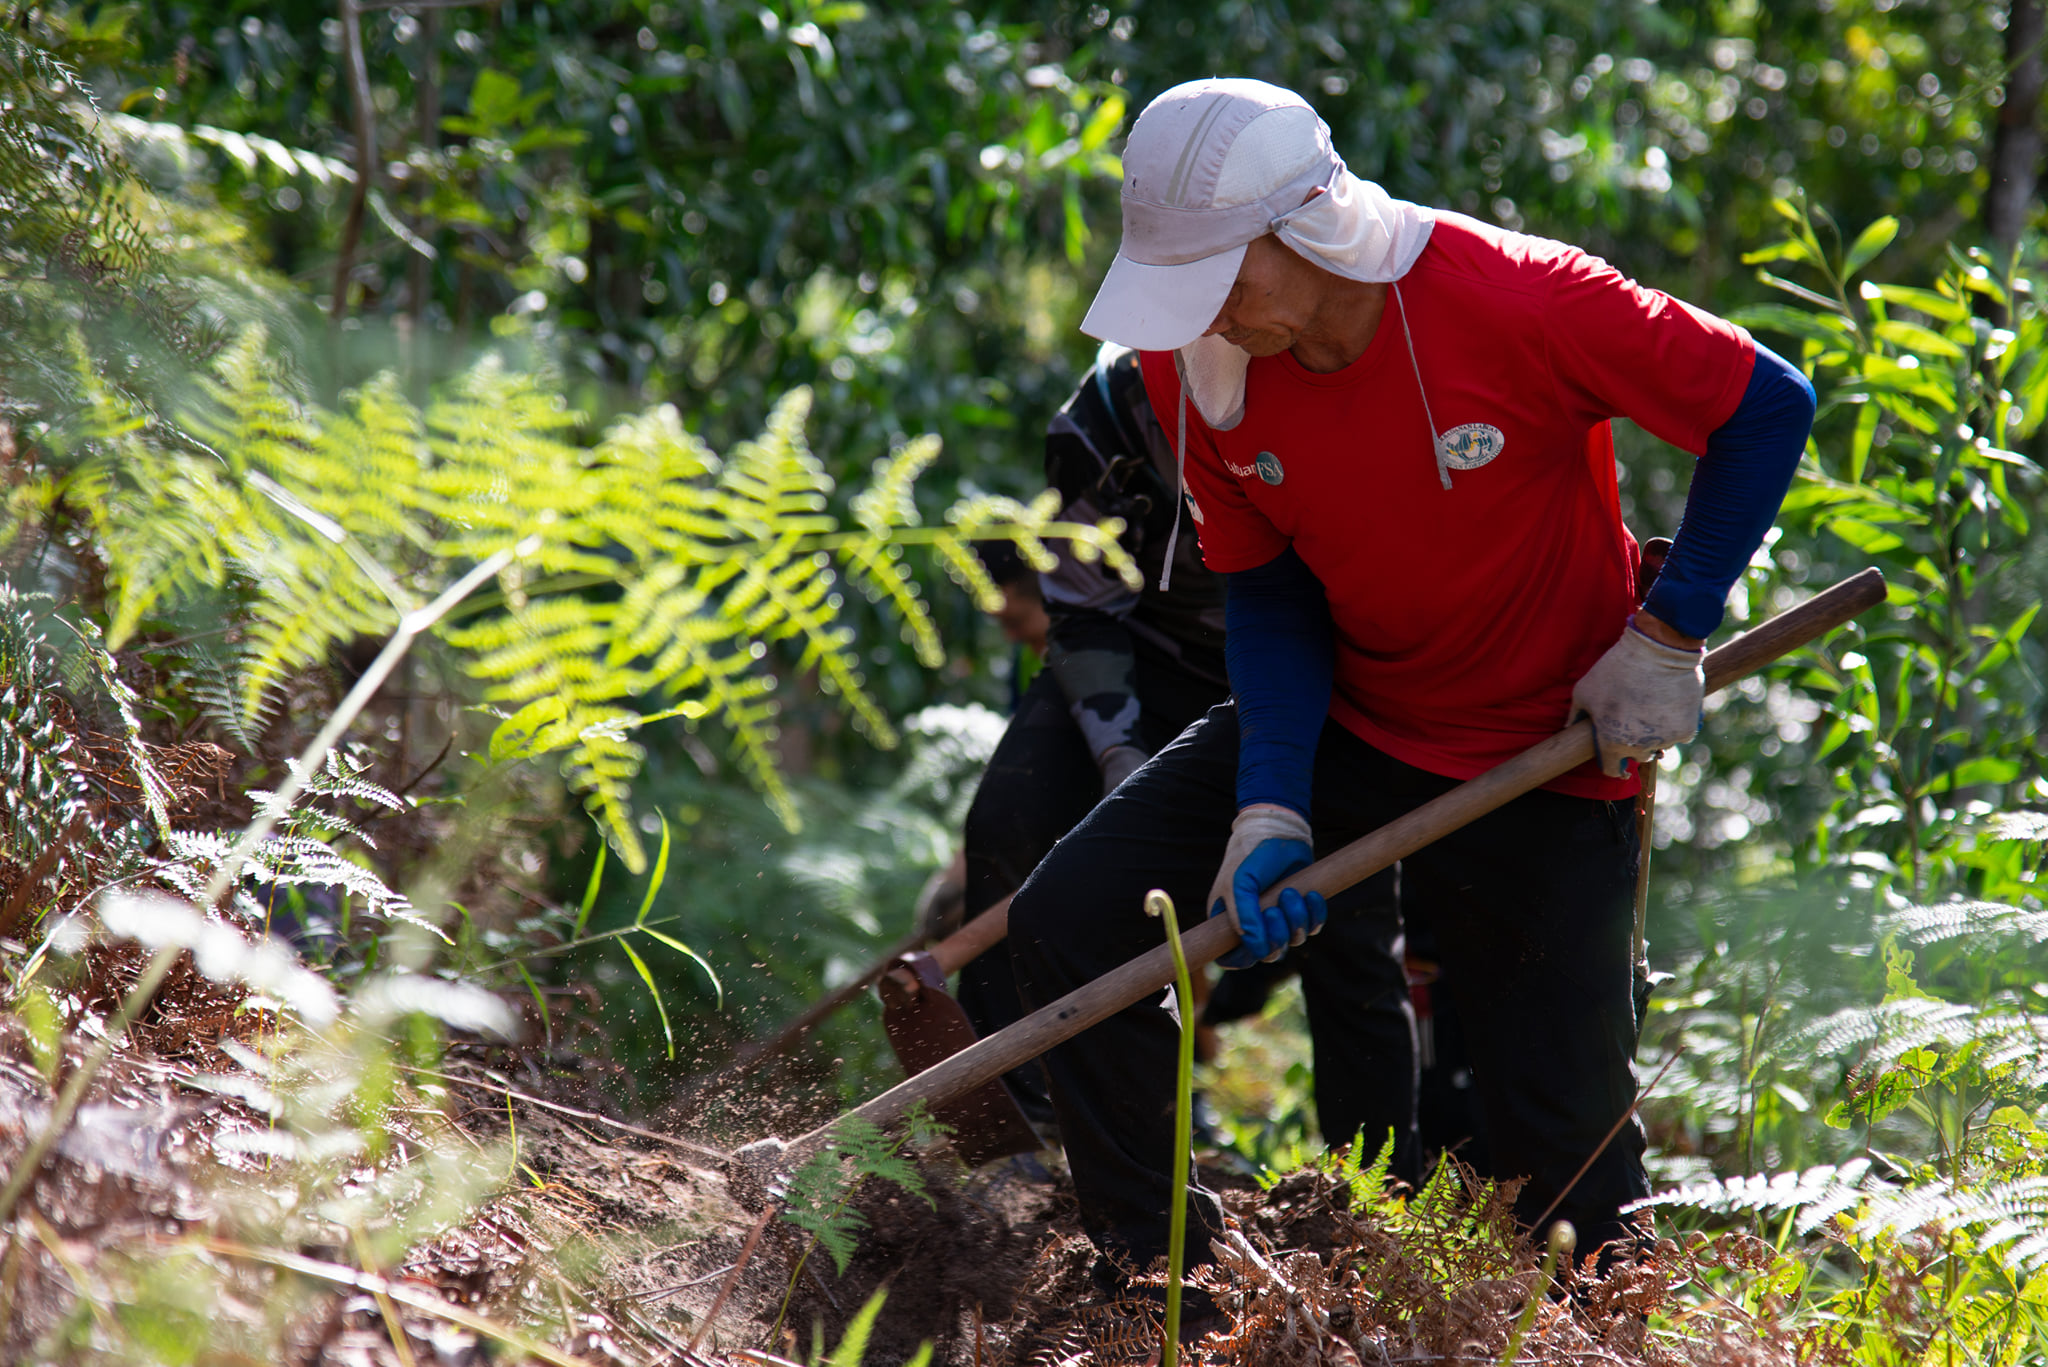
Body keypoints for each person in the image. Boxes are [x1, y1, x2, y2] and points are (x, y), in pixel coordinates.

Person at [1005, 77, 1814, 1280]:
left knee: (1558, 1133)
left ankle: (1603, 1328)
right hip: (1353, 717)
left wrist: (1665, 631)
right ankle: (1155, 1281)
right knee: (1067, 921)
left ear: (1311, 223)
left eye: (1227, 277)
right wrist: (1270, 799)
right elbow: (1269, 590)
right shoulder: (1203, 374)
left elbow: (1763, 404)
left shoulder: (1519, 297)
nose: (1205, 314)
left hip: (1551, 750)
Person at [958, 346, 1419, 1162]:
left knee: (1349, 916)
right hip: (1145, 656)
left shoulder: (1337, 389)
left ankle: (1379, 1187)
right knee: (1012, 817)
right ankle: (1015, 1127)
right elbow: (1084, 609)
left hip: (1319, 676)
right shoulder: (1103, 418)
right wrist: (1119, 756)